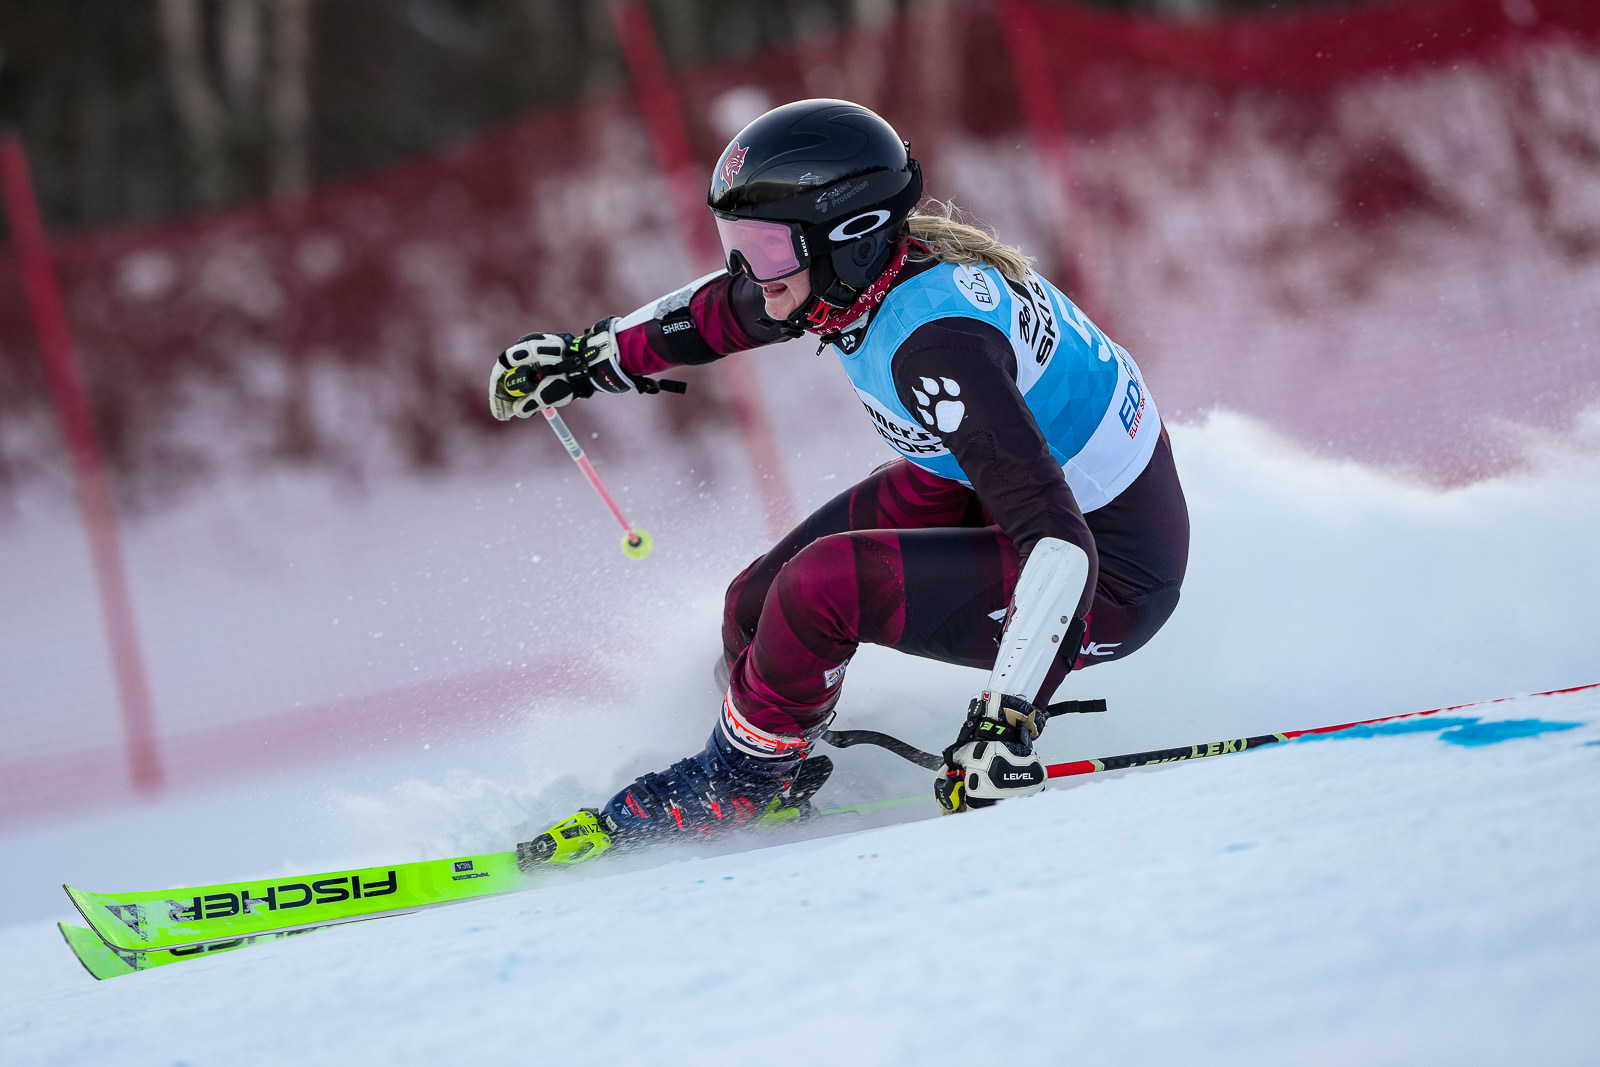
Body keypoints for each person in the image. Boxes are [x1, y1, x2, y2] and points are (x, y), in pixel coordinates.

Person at [489, 99, 1189, 864]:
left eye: (765, 249)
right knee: (753, 605)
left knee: (819, 586)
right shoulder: (851, 274)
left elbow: (1059, 543)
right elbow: (724, 310)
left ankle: (742, 778)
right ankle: (772, 763)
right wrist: (587, 359)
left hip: (1108, 573)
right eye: (739, 244)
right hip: (980, 485)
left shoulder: (936, 348)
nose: (753, 273)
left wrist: (1004, 726)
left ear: (849, 239)